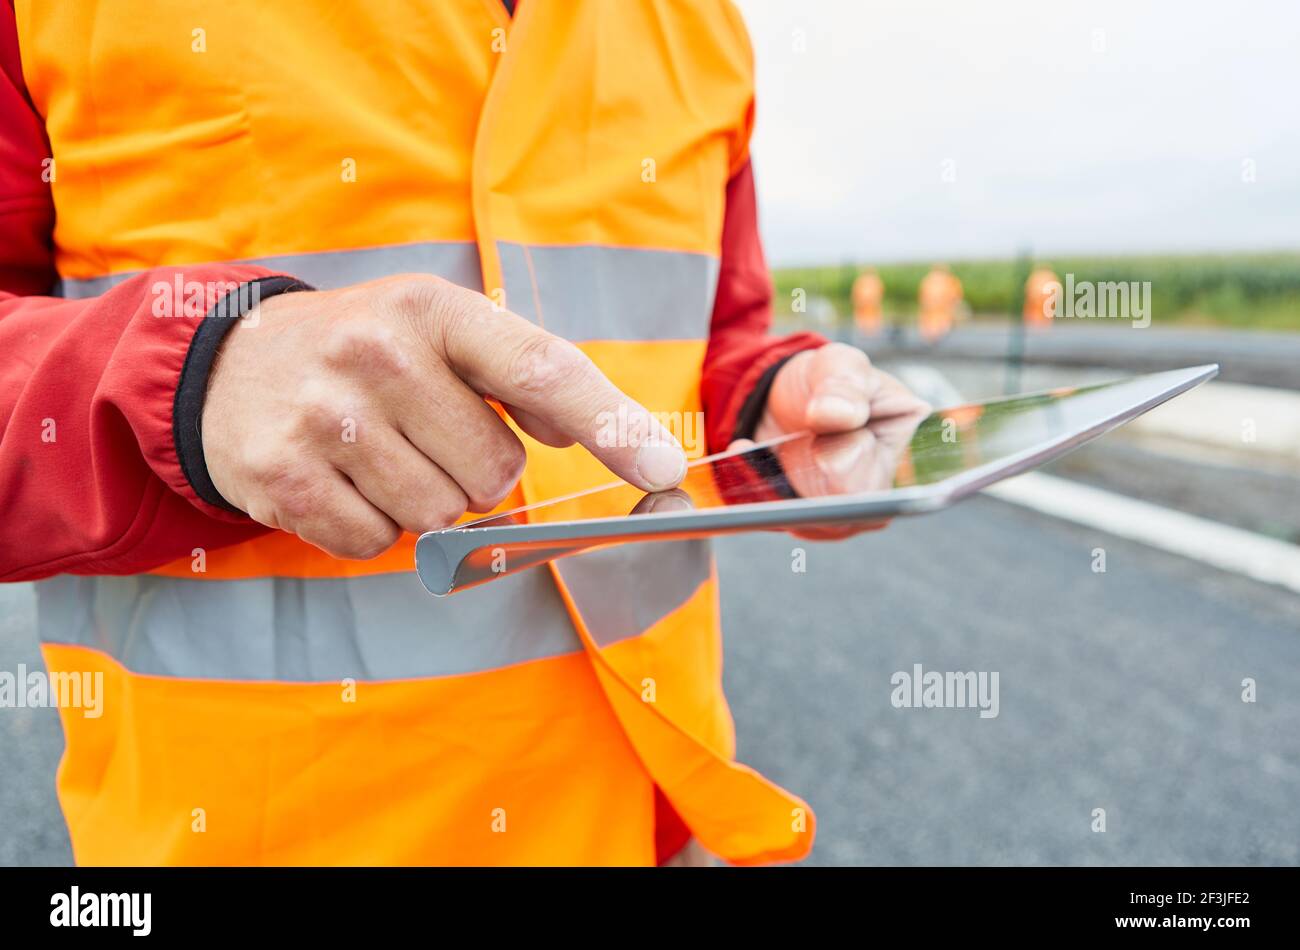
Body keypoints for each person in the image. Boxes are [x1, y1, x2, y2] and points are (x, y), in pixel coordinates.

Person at [0, 0, 923, 865]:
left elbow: (706, 327)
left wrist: (764, 406)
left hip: (652, 814)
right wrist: (193, 379)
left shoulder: (698, 23)